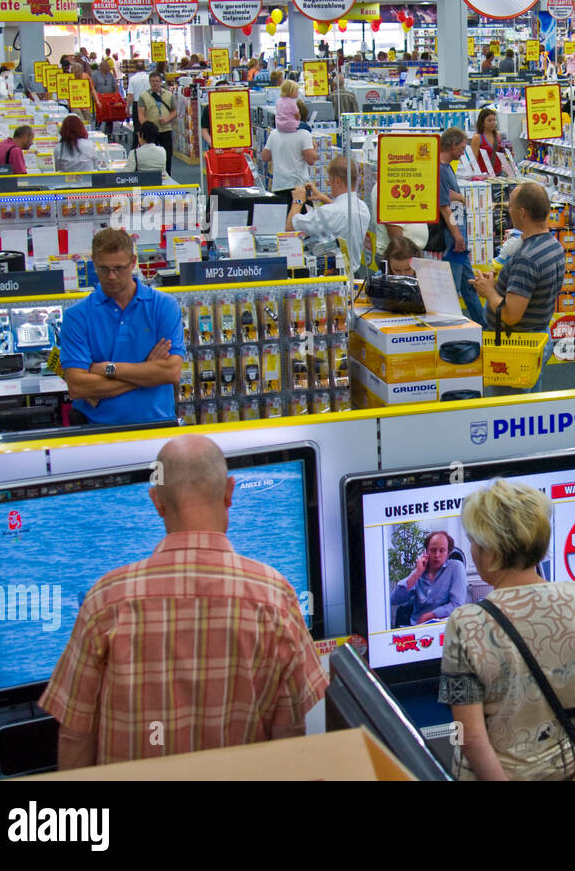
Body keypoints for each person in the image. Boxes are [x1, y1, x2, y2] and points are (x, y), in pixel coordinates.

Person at [40, 435, 327, 768]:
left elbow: (75, 733)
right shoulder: (276, 597)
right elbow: (288, 731)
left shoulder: (105, 600)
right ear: (229, 492)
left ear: (157, 502)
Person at [439, 478, 575, 781]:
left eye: (473, 541)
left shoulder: (466, 623)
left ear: (492, 552)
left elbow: (468, 736)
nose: (470, 550)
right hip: (568, 770)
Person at [59, 228, 184, 425]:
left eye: (119, 268)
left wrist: (109, 369)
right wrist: (147, 373)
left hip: (158, 425)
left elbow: (170, 373)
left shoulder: (163, 306)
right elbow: (78, 387)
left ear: (133, 262)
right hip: (98, 432)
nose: (111, 276)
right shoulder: (76, 316)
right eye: (103, 269)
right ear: (93, 262)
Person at [471, 182, 565, 393]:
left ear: (521, 212)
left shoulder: (527, 258)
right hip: (538, 337)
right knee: (530, 408)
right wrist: (499, 283)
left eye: (511, 205)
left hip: (516, 348)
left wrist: (489, 291)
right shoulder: (553, 246)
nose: (508, 209)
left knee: (511, 414)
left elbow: (511, 314)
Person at [428, 128, 485, 325]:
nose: (463, 152)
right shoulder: (439, 170)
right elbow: (444, 207)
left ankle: (483, 325)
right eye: (461, 148)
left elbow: (454, 200)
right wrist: (457, 236)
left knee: (468, 286)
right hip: (452, 239)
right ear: (452, 146)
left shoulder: (447, 168)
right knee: (451, 289)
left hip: (457, 237)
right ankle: (448, 327)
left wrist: (460, 197)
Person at [286, 157, 373, 269]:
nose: (330, 185)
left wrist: (297, 201)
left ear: (337, 181)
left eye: (330, 182)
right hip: (353, 272)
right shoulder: (362, 207)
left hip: (330, 276)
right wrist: (323, 198)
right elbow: (342, 212)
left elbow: (290, 228)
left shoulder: (329, 213)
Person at [391, 530, 467, 627]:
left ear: (448, 553)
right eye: (433, 550)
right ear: (426, 552)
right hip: (418, 627)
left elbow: (457, 604)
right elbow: (394, 599)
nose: (437, 555)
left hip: (445, 627)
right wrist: (417, 573)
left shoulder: (455, 567)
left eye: (442, 550)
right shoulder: (419, 571)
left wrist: (430, 615)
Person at [261, 108, 318, 203]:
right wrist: (314, 149)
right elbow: (311, 161)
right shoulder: (304, 134)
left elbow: (265, 157)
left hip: (280, 185)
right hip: (299, 186)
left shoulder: (274, 133)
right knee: (302, 216)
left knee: (284, 216)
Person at [137, 71, 175, 174]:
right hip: (151, 132)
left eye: (157, 81)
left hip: (166, 129)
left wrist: (167, 119)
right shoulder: (143, 96)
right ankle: (152, 176)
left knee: (167, 155)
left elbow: (174, 111)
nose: (155, 83)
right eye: (153, 81)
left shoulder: (168, 95)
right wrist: (146, 127)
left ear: (161, 82)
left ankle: (167, 175)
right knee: (151, 155)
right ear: (149, 82)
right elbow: (140, 113)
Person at [470, 107, 508, 176]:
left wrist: (509, 154)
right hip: (484, 175)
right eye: (489, 120)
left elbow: (502, 156)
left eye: (494, 120)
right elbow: (473, 160)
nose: (493, 123)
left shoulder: (498, 135)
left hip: (499, 174)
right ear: (482, 122)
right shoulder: (477, 137)